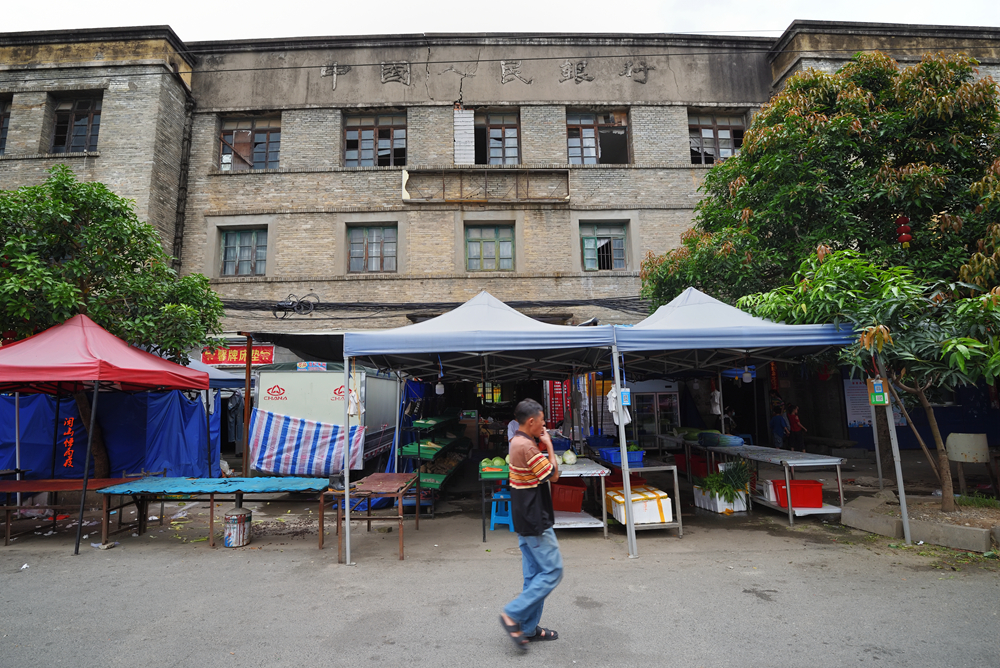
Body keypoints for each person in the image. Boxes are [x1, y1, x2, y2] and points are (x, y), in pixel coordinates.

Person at [499, 398, 563, 650]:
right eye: (543, 421)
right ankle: (512, 614)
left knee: (534, 575)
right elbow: (553, 475)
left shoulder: (516, 441)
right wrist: (549, 446)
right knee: (553, 571)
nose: (545, 425)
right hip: (535, 519)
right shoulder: (528, 447)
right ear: (531, 421)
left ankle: (527, 628)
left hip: (523, 517)